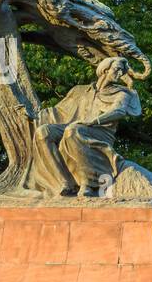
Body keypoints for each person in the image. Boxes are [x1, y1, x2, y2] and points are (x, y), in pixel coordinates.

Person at [23, 57, 142, 197]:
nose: (120, 74)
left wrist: (94, 121)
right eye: (117, 69)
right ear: (105, 70)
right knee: (43, 132)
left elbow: (119, 111)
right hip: (76, 126)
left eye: (122, 71)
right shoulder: (79, 91)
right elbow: (58, 111)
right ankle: (65, 182)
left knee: (72, 131)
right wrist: (33, 116)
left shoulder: (122, 94)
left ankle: (88, 183)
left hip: (100, 131)